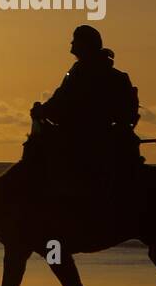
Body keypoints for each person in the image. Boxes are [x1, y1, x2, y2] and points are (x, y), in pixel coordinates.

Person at [32, 26, 141, 191]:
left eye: (75, 41)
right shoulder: (118, 77)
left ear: (84, 45)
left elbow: (60, 102)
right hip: (109, 138)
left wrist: (41, 111)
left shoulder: (79, 75)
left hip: (81, 139)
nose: (71, 45)